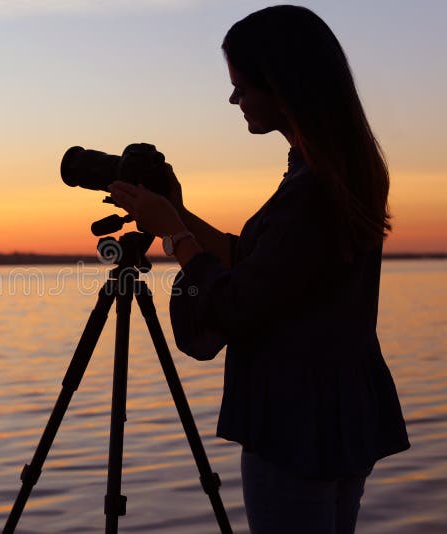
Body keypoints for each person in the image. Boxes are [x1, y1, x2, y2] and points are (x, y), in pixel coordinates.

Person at [108, 5, 409, 534]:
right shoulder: (334, 173)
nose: (233, 100)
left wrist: (174, 236)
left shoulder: (312, 191)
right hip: (340, 416)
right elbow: (259, 261)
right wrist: (177, 213)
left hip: (295, 424)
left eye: (241, 87)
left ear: (282, 86)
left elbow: (235, 303)